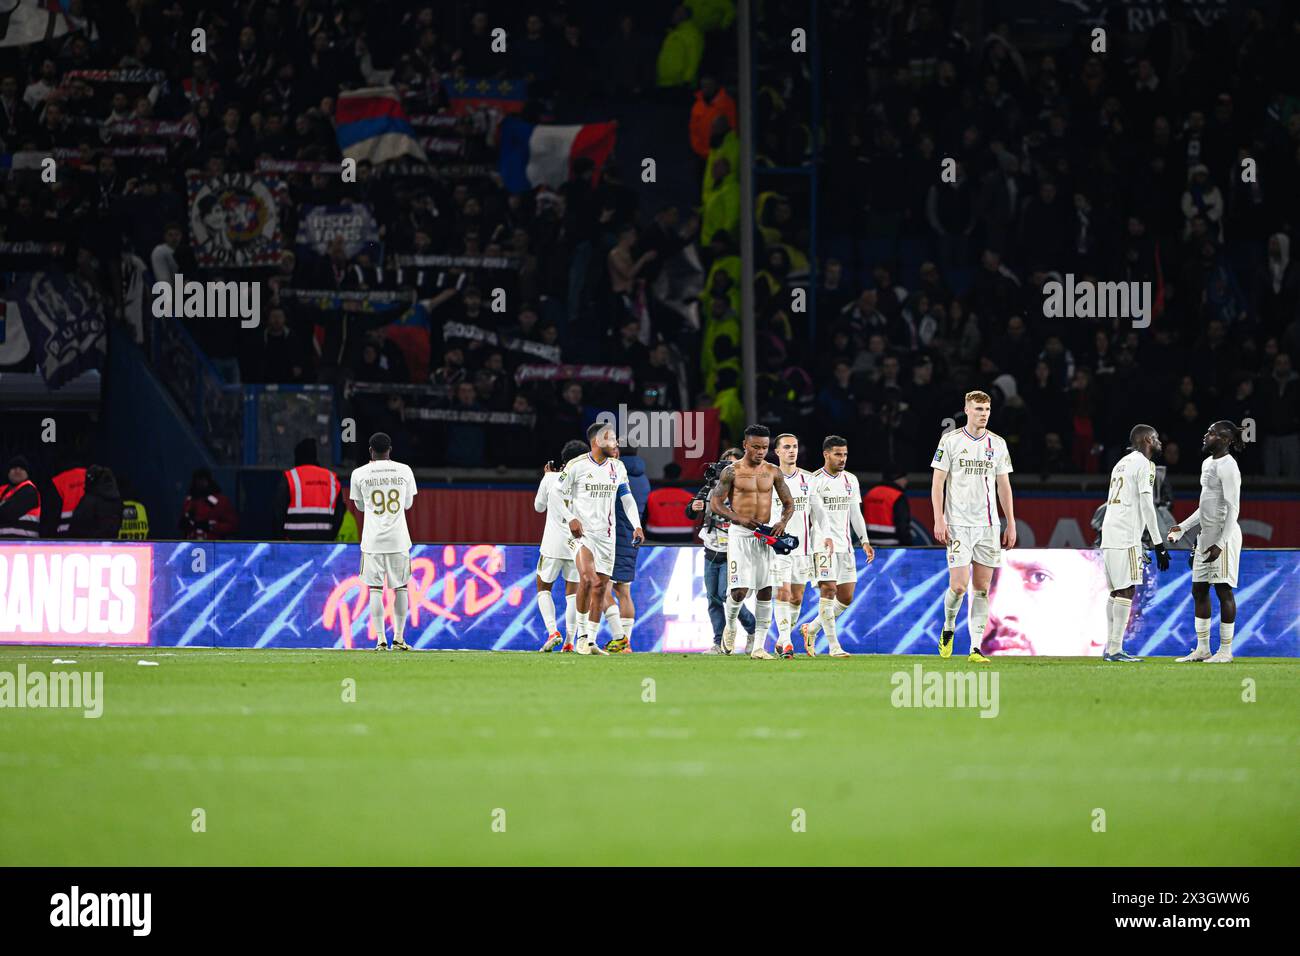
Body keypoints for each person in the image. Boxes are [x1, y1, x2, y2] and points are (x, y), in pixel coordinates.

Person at [930, 391, 1016, 662]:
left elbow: (1004, 485)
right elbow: (937, 483)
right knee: (958, 586)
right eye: (978, 408)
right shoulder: (950, 441)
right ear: (967, 410)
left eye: (987, 409)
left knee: (981, 589)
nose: (984, 413)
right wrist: (938, 518)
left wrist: (1010, 522)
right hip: (957, 524)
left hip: (988, 526)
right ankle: (949, 627)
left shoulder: (998, 444)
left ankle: (976, 648)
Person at [549, 422, 645, 655]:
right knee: (588, 579)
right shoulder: (576, 465)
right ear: (596, 442)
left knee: (601, 586)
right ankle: (582, 636)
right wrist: (571, 518)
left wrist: (637, 526)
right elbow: (555, 493)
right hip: (582, 535)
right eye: (612, 439)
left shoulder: (617, 467)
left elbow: (627, 498)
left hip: (607, 536)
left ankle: (590, 640)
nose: (616, 443)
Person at [709, 424, 794, 658]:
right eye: (755, 447)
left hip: (765, 535)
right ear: (745, 445)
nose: (760, 452)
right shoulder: (732, 471)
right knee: (739, 591)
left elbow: (789, 504)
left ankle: (758, 647)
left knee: (766, 590)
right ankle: (731, 624)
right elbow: (715, 503)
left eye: (765, 447)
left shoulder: (774, 471)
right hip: (740, 534)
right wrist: (738, 518)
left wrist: (782, 523)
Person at [1168, 421, 1244, 663]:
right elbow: (1205, 507)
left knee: (1223, 590)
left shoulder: (1229, 466)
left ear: (1225, 439)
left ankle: (1225, 651)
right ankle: (1202, 649)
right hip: (1206, 535)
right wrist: (1183, 527)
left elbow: (1233, 508)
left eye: (1211, 433)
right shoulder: (1207, 463)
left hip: (1224, 534)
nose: (1205, 435)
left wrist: (1221, 543)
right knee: (1199, 589)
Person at [1098, 425, 1171, 662]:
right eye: (1157, 438)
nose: (1159, 442)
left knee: (1116, 591)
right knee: (1127, 589)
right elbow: (1147, 505)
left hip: (1109, 531)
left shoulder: (1121, 462)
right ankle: (1116, 650)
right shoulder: (1145, 465)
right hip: (1126, 534)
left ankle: (1110, 648)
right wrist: (1159, 544)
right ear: (1148, 439)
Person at [800, 436, 875, 657]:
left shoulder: (850, 479)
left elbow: (855, 513)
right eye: (837, 454)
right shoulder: (814, 480)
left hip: (845, 546)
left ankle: (811, 628)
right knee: (829, 590)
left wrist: (864, 540)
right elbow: (809, 516)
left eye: (844, 454)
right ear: (826, 454)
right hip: (821, 545)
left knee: (846, 597)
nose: (842, 459)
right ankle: (834, 647)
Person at [349, 433, 418, 650]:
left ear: (370, 450)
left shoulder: (358, 473)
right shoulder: (404, 470)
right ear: (390, 449)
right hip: (398, 539)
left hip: (373, 540)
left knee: (375, 589)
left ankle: (380, 640)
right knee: (401, 588)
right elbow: (407, 505)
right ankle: (399, 638)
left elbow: (359, 506)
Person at [692, 448, 757, 652]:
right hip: (711, 551)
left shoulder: (748, 492)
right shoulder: (709, 488)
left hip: (734, 551)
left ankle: (752, 629)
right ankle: (718, 642)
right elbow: (690, 511)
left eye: (735, 465)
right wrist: (694, 506)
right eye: (726, 465)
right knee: (713, 598)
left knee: (724, 594)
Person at [767, 433, 827, 658]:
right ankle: (786, 641)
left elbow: (819, 512)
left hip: (802, 548)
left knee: (797, 597)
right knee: (782, 592)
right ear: (778, 452)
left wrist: (825, 536)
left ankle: (783, 638)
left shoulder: (809, 479)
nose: (792, 451)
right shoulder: (767, 478)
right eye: (787, 447)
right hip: (777, 546)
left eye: (795, 446)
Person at [537, 439, 590, 653]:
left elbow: (539, 507)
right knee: (572, 593)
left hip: (552, 544)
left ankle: (553, 631)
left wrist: (545, 478)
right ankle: (570, 640)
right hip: (576, 543)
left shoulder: (551, 479)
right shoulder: (588, 481)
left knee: (543, 588)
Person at [274, 438, 346, 541]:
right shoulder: (331, 478)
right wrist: (329, 537)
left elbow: (278, 514)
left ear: (297, 456)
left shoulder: (290, 477)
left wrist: (282, 540)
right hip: (323, 544)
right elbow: (339, 515)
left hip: (294, 544)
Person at [179, 470, 238, 540]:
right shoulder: (190, 500)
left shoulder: (220, 501)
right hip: (191, 545)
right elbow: (183, 524)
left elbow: (232, 526)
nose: (200, 483)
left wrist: (211, 526)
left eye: (203, 480)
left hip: (213, 546)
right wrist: (185, 523)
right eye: (197, 480)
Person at [68, 465, 124, 539]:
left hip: (89, 546)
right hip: (110, 546)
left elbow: (76, 526)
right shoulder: (117, 500)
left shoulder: (89, 501)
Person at [864, 466, 912, 546]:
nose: (906, 482)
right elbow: (902, 526)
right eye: (904, 478)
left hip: (869, 545)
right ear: (898, 479)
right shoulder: (898, 496)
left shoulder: (870, 493)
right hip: (892, 547)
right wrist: (908, 545)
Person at [0, 456, 41, 539]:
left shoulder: (29, 491)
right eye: (14, 468)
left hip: (24, 544)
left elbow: (8, 513)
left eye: (22, 468)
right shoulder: (2, 490)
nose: (17, 471)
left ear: (27, 473)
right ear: (8, 472)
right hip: (4, 544)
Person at [51, 462, 87, 536]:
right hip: (89, 534)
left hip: (65, 533)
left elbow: (52, 512)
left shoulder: (58, 480)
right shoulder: (91, 475)